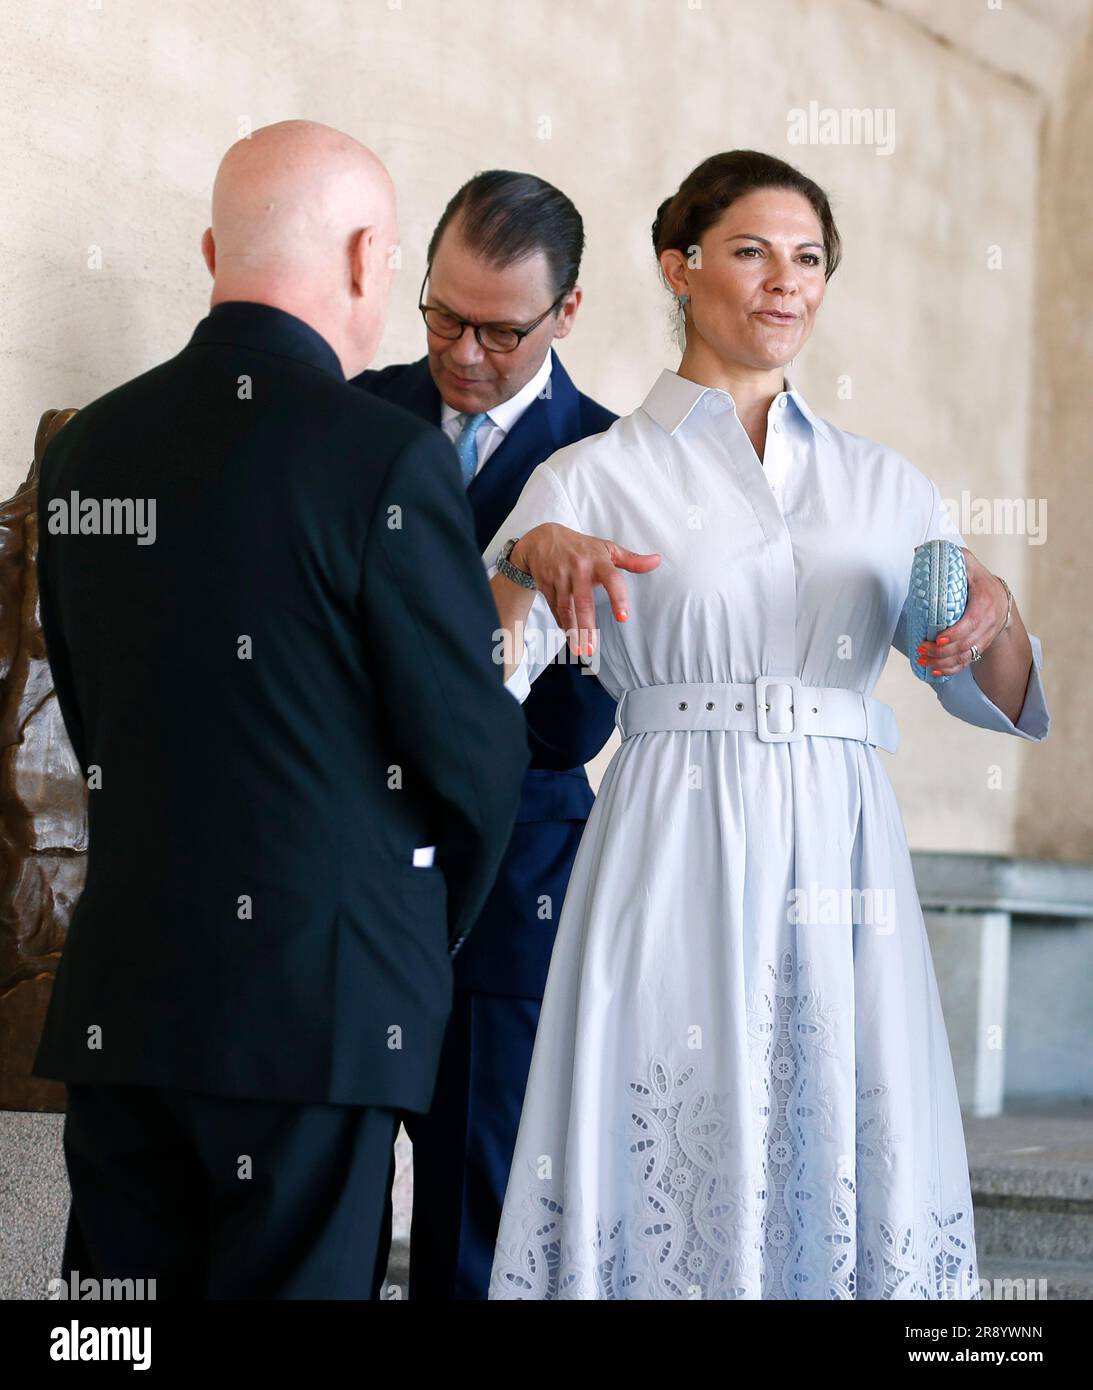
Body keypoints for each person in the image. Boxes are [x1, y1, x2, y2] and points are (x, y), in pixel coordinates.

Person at [483, 150, 1051, 1300]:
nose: (784, 282)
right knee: (671, 1118)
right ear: (677, 268)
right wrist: (522, 568)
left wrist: (994, 613)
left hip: (842, 839)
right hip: (672, 833)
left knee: (839, 1117)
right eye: (750, 251)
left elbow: (986, 687)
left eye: (807, 259)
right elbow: (474, 681)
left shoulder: (885, 486)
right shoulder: (587, 477)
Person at [32, 119, 529, 1299]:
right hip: (319, 1014)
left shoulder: (88, 450)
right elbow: (471, 762)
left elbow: (95, 720)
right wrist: (396, 927)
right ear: (367, 258)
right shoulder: (385, 459)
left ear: (214, 248)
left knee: (109, 1334)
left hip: (127, 1005)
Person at [353, 170, 617, 1300]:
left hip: (518, 879)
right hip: (346, 874)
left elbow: (578, 719)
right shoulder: (353, 419)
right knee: (328, 1205)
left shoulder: (615, 460)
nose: (463, 352)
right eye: (441, 315)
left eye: (500, 331)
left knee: (480, 1216)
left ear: (565, 313)